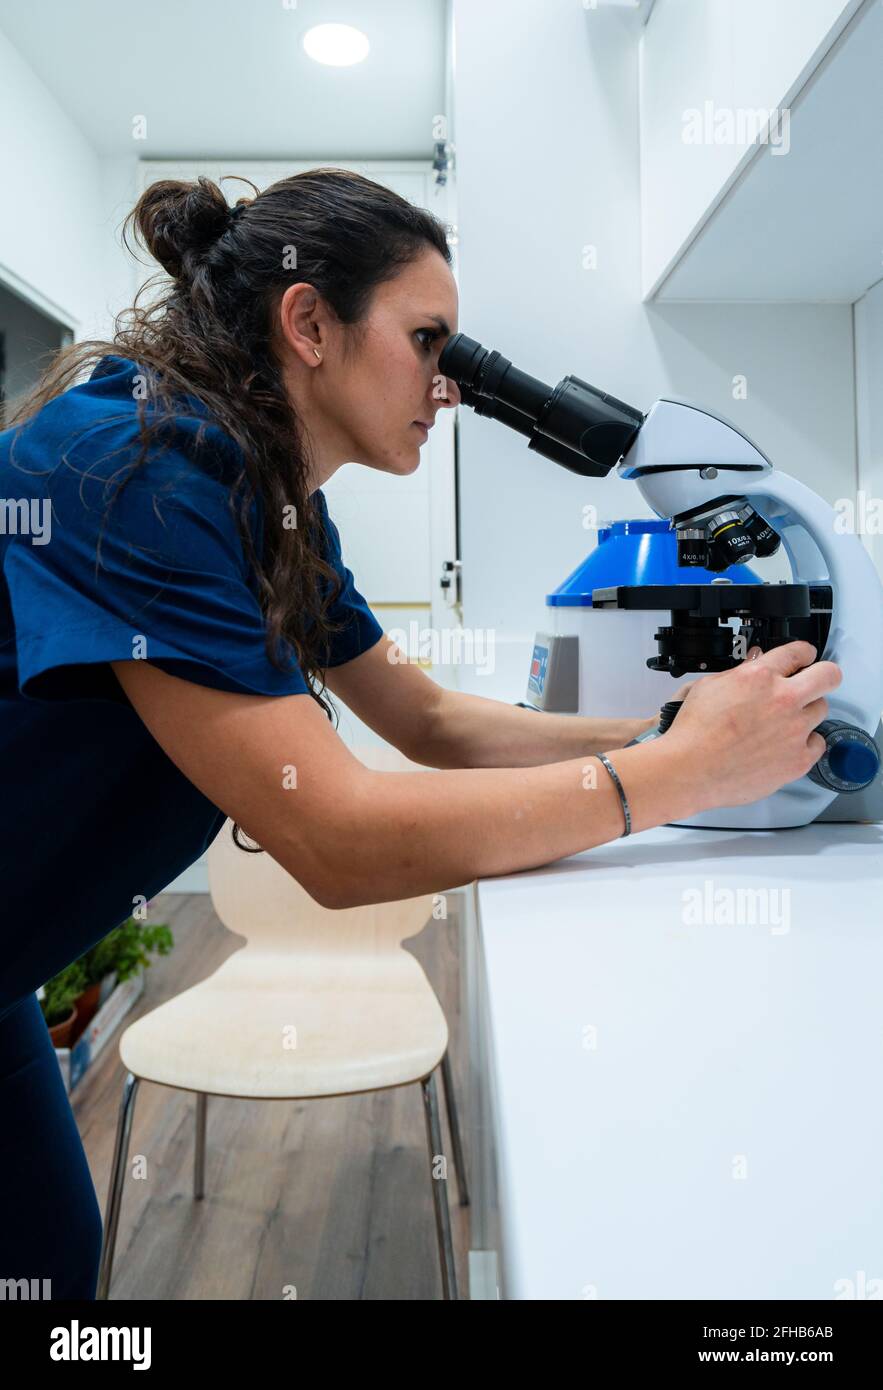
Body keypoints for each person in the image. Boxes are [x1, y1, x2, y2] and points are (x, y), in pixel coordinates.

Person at [0, 168, 839, 1299]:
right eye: (430, 340)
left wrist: (664, 727)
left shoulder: (270, 498)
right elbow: (337, 840)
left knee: (45, 1268)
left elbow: (428, 719)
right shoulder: (135, 464)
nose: (449, 386)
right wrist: (679, 772)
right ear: (308, 323)